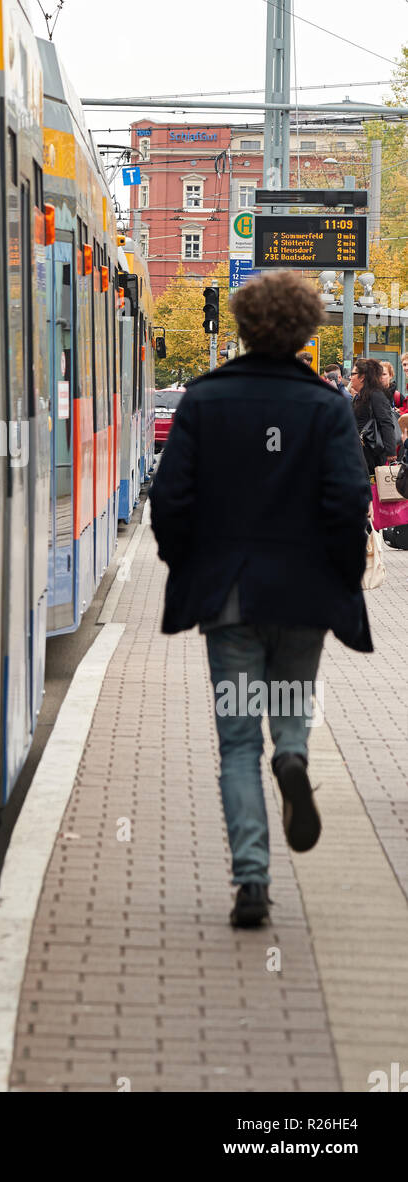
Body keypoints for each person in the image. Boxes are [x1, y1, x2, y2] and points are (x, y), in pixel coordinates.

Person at [150, 270, 372, 930]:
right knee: (291, 697)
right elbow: (346, 500)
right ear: (307, 330)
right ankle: (295, 754)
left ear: (243, 325)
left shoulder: (204, 399)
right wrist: (337, 577)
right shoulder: (327, 407)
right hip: (304, 595)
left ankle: (252, 883)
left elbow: (171, 500)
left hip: (231, 596)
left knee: (236, 742)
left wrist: (188, 563)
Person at [350, 359, 397, 475]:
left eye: (353, 374)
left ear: (362, 377)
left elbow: (386, 422)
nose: (350, 378)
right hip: (360, 452)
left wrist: (391, 453)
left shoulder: (376, 395)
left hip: (372, 453)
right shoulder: (359, 397)